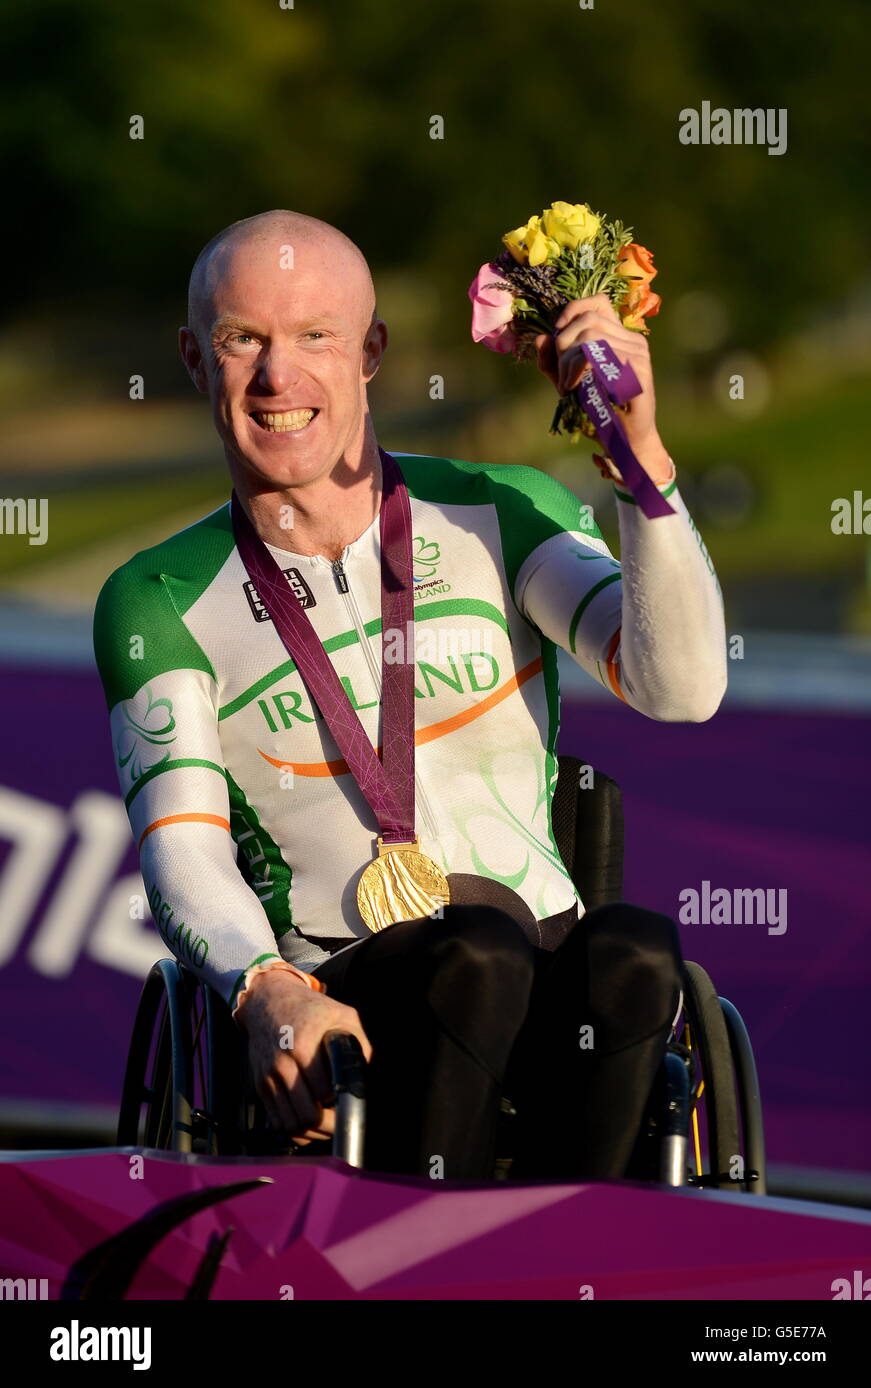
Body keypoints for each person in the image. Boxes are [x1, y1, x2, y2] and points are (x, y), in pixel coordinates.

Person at [93, 210, 726, 1182]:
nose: (277, 376)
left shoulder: (502, 509)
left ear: (373, 352)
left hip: (539, 954)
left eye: (315, 336)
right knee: (474, 957)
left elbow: (682, 690)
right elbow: (182, 846)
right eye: (241, 338)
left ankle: (568, 1264)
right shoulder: (156, 596)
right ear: (191, 356)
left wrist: (640, 464)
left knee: (637, 949)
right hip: (344, 985)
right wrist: (264, 988)